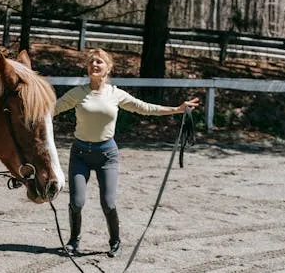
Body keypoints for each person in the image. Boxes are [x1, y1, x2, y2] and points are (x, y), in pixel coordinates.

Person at [52, 48, 199, 257]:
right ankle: (73, 241)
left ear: (108, 68)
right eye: (91, 62)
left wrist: (176, 109)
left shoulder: (116, 94)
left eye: (99, 62)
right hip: (80, 154)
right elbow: (52, 109)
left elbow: (144, 108)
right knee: (76, 202)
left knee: (108, 203)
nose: (94, 65)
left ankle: (115, 241)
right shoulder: (78, 93)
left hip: (106, 155)